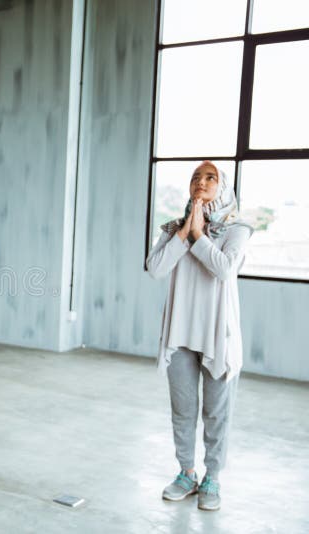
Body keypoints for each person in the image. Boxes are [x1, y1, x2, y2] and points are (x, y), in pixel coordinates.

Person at [146, 160, 253, 512]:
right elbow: (156, 268)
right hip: (180, 335)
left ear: (222, 188)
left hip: (217, 336)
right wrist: (184, 230)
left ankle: (213, 478)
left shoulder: (237, 230)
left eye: (210, 177)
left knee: (216, 413)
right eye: (195, 177)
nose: (201, 182)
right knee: (183, 410)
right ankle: (186, 473)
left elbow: (223, 269)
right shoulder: (175, 228)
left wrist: (198, 236)